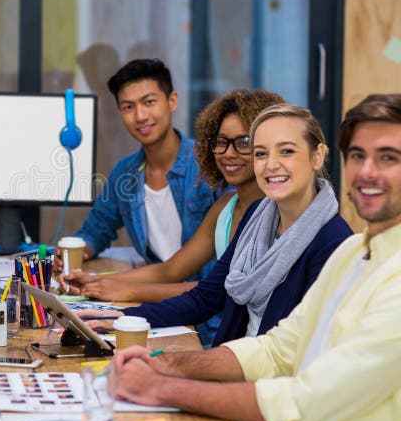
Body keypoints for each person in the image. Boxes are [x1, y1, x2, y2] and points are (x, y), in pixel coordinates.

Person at [111, 94, 401, 421]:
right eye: (357, 155)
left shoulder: (344, 246)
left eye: (388, 158)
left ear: (317, 156)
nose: (367, 171)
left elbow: (302, 402)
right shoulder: (353, 252)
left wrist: (159, 388)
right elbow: (274, 350)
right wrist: (161, 365)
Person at [82, 104, 352, 346]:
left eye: (287, 151)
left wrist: (188, 367)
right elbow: (206, 297)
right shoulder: (258, 215)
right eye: (261, 153)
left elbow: (291, 350)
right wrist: (121, 317)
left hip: (266, 384)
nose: (271, 165)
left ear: (318, 156)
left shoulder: (335, 243)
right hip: (233, 362)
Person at [64, 90, 284, 303]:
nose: (228, 153)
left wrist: (127, 291)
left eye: (243, 143)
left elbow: (219, 291)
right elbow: (171, 270)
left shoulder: (279, 214)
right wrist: (94, 281)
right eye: (220, 142)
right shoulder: (225, 207)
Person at [55, 58, 219, 341]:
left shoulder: (209, 164)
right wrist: (79, 251)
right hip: (157, 303)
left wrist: (109, 284)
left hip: (209, 311)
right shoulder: (125, 172)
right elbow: (97, 228)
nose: (140, 116)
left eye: (149, 102)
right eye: (128, 107)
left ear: (172, 101)